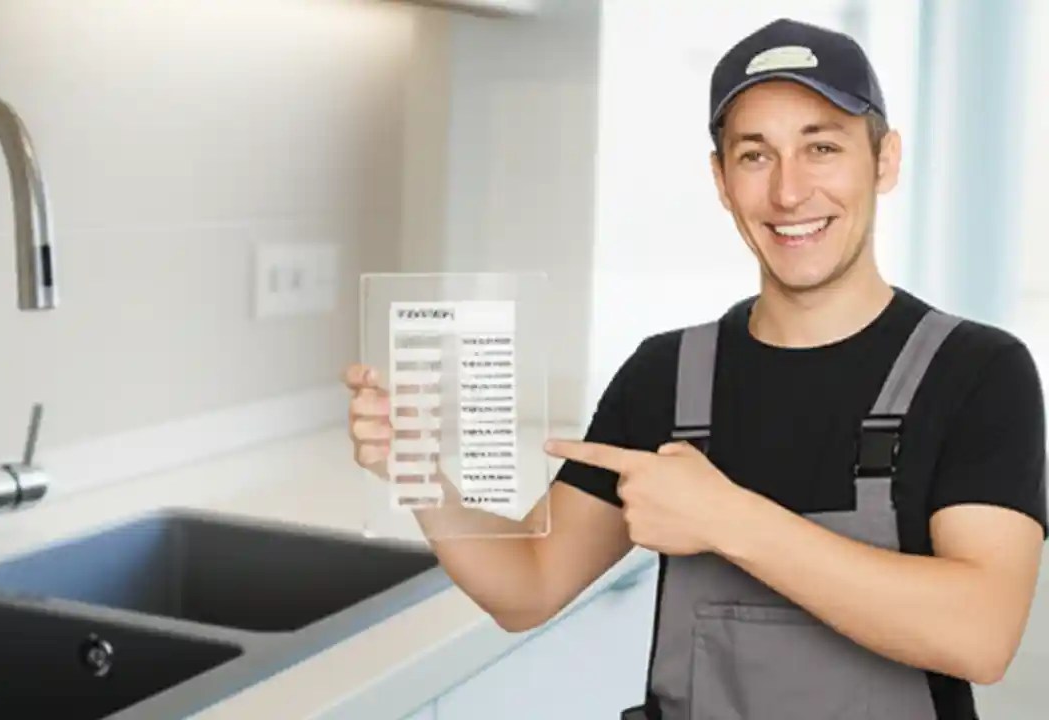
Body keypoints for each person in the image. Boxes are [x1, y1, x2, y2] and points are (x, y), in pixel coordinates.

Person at [344, 17, 1047, 720]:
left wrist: (727, 519)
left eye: (822, 147)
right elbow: (527, 586)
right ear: (720, 178)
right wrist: (424, 480)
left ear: (884, 161)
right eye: (754, 156)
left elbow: (979, 633)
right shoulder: (668, 375)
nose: (789, 192)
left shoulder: (977, 372)